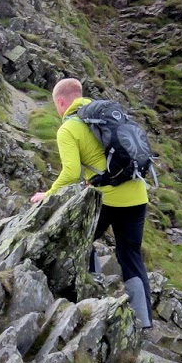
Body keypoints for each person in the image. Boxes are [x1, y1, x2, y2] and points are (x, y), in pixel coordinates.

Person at [30, 78, 154, 329]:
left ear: (61, 102)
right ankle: (144, 323)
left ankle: (92, 296)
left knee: (80, 242)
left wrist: (49, 195)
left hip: (106, 198)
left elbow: (71, 172)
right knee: (130, 255)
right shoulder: (107, 115)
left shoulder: (68, 128)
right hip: (138, 194)